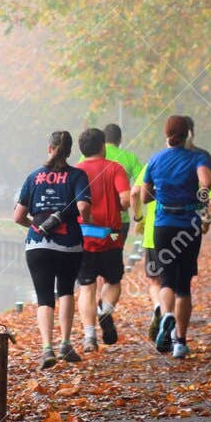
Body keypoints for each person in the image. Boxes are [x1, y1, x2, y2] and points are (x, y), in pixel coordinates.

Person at [133, 119, 211, 341]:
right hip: (189, 228)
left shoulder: (156, 159)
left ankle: (167, 314)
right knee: (184, 286)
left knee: (166, 279)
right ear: (188, 134)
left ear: (166, 134)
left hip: (162, 227)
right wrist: (200, 198)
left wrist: (159, 195)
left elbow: (143, 196)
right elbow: (207, 182)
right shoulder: (197, 158)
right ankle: (180, 340)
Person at [13, 130, 93, 368]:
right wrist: (83, 219)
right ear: (69, 152)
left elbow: (18, 216)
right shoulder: (77, 175)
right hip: (69, 243)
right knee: (66, 290)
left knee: (44, 297)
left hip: (37, 245)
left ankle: (47, 347)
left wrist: (36, 226)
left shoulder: (33, 177)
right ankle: (66, 344)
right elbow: (84, 208)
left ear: (49, 148)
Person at [74, 127, 131, 351]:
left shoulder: (75, 171)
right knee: (113, 281)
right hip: (112, 235)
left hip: (83, 235)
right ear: (103, 146)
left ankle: (89, 337)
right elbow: (126, 199)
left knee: (86, 287)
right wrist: (116, 206)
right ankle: (104, 311)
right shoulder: (114, 168)